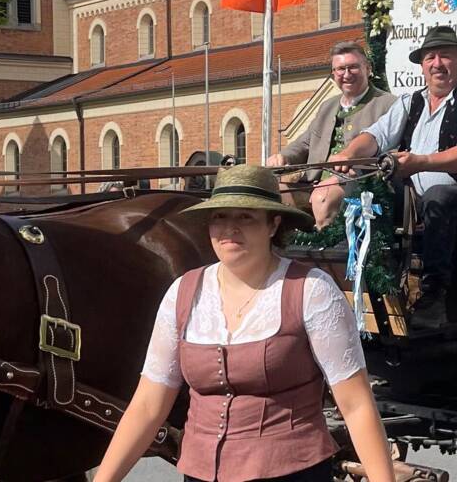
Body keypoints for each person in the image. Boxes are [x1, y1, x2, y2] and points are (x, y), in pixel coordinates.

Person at [93, 164, 395, 482]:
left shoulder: (311, 290)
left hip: (292, 473)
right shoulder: (182, 293)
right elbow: (148, 405)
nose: (229, 229)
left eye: (246, 216)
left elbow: (356, 404)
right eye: (220, 216)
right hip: (200, 474)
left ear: (273, 224)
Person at [322, 25, 457, 332]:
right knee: (369, 186)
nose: (437, 63)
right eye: (430, 57)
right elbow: (374, 136)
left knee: (439, 197)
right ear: (422, 65)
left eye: (445, 56)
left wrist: (422, 162)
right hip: (413, 196)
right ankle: (366, 280)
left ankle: (435, 297)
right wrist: (349, 153)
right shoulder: (410, 101)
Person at [266, 41, 395, 226]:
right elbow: (305, 142)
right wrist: (283, 156)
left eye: (353, 67)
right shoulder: (328, 106)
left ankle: (321, 252)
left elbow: (391, 153)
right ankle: (282, 251)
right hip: (312, 181)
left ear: (368, 68)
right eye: (340, 69)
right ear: (334, 73)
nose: (347, 74)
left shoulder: (387, 104)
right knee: (271, 192)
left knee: (322, 198)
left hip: (359, 181)